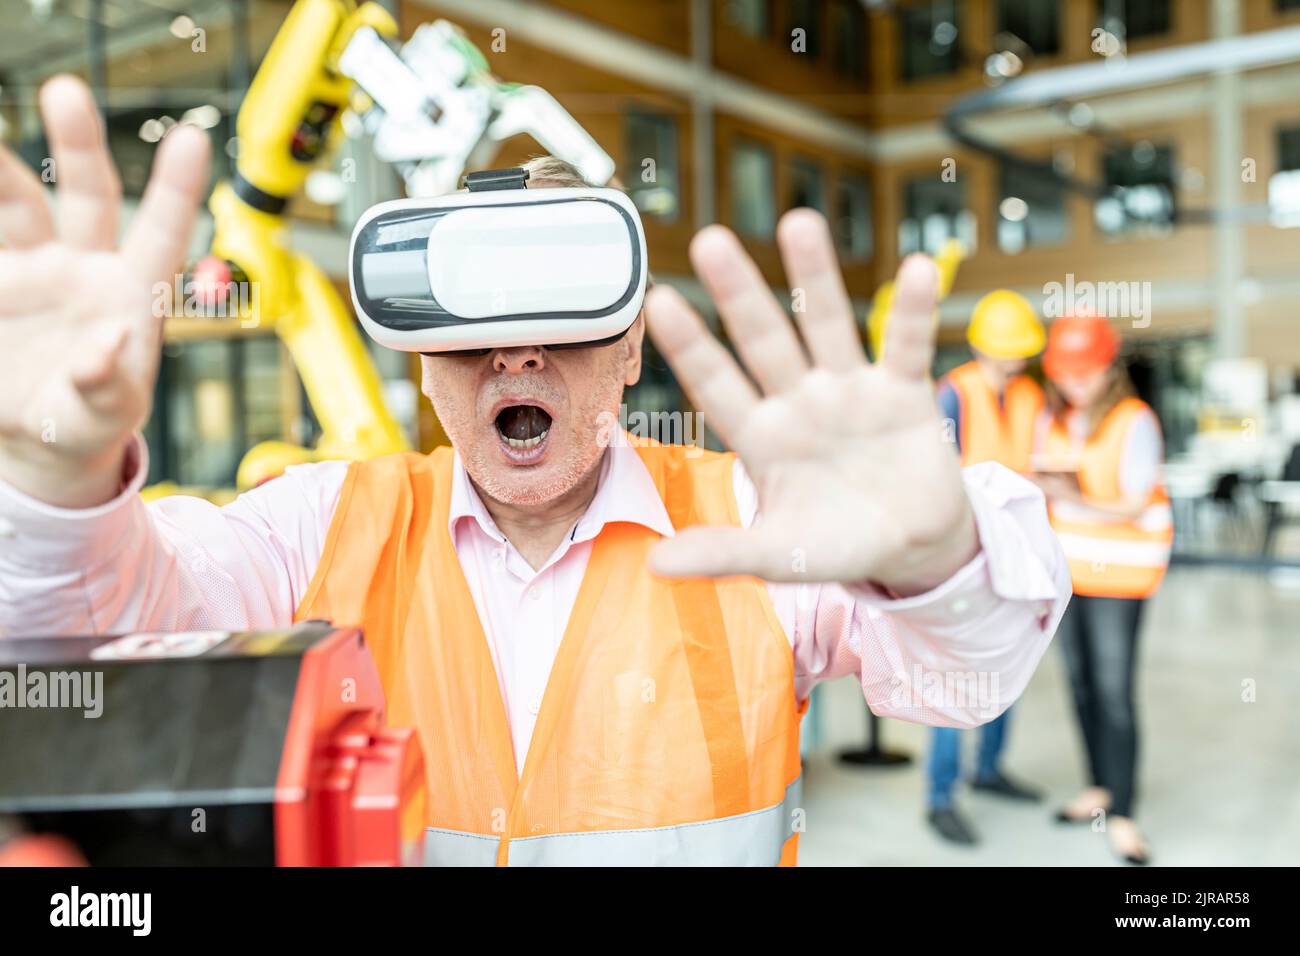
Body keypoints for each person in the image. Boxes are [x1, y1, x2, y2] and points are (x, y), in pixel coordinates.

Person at [0, 75, 1071, 866]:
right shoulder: (314, 527)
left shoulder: (755, 525)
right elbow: (77, 660)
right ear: (420, 364)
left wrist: (936, 558)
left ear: (631, 348)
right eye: (471, 326)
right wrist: (55, 480)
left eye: (563, 310)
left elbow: (969, 678)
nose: (516, 352)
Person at [1030, 312, 1172, 866]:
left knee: (1113, 693)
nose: (1075, 382)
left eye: (1085, 372)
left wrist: (1071, 499)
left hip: (1122, 580)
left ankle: (1125, 815)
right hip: (1072, 576)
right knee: (1082, 686)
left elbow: (1134, 503)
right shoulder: (1057, 418)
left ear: (1108, 367)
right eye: (1066, 373)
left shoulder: (1135, 420)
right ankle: (1099, 789)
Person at [925, 290, 1047, 846]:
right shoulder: (952, 393)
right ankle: (940, 795)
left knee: (1006, 664)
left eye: (1018, 352)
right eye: (1004, 351)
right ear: (979, 347)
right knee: (955, 674)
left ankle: (990, 768)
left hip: (1017, 553)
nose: (1012, 362)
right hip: (965, 555)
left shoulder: (1029, 396)